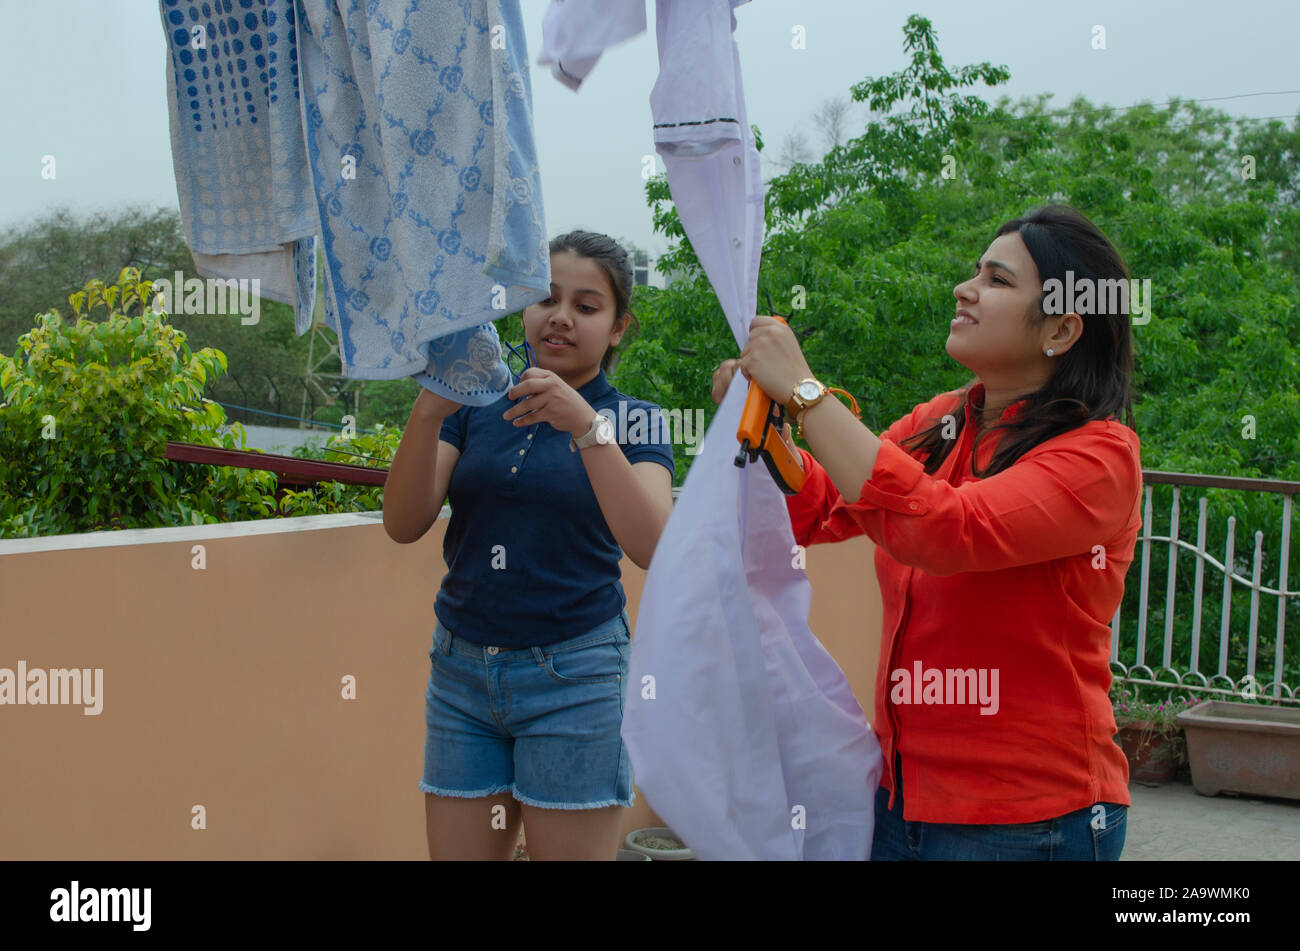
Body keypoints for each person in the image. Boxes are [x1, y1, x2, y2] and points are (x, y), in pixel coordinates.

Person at [712, 204, 1141, 860]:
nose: (964, 289)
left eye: (997, 281)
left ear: (1062, 327)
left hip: (1028, 818)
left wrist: (803, 390)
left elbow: (946, 531)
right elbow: (827, 507)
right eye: (975, 272)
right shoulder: (942, 420)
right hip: (901, 798)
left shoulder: (1099, 458)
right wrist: (766, 427)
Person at [383, 230, 675, 860]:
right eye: (545, 299)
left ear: (619, 327)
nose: (560, 318)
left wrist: (586, 428)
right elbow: (403, 522)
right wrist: (430, 409)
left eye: (587, 306)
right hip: (461, 673)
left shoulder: (636, 421)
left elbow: (653, 545)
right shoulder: (474, 405)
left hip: (577, 677)